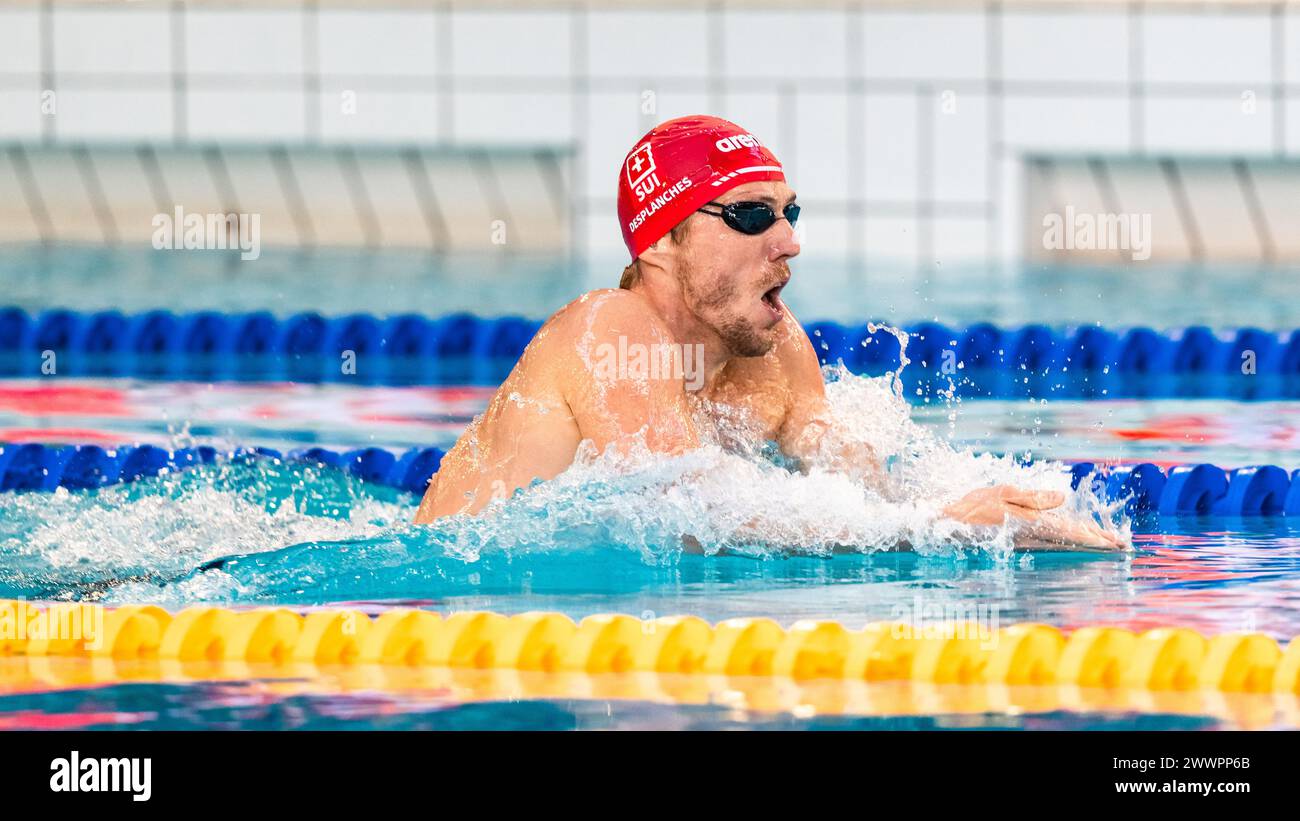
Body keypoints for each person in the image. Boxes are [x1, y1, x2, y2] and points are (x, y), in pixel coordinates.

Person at [414, 115, 1123, 551]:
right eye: (752, 216)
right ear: (662, 241)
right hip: (444, 623)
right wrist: (938, 525)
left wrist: (994, 512)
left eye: (791, 212)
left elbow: (861, 488)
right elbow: (694, 513)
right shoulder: (609, 332)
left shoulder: (777, 350)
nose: (789, 241)